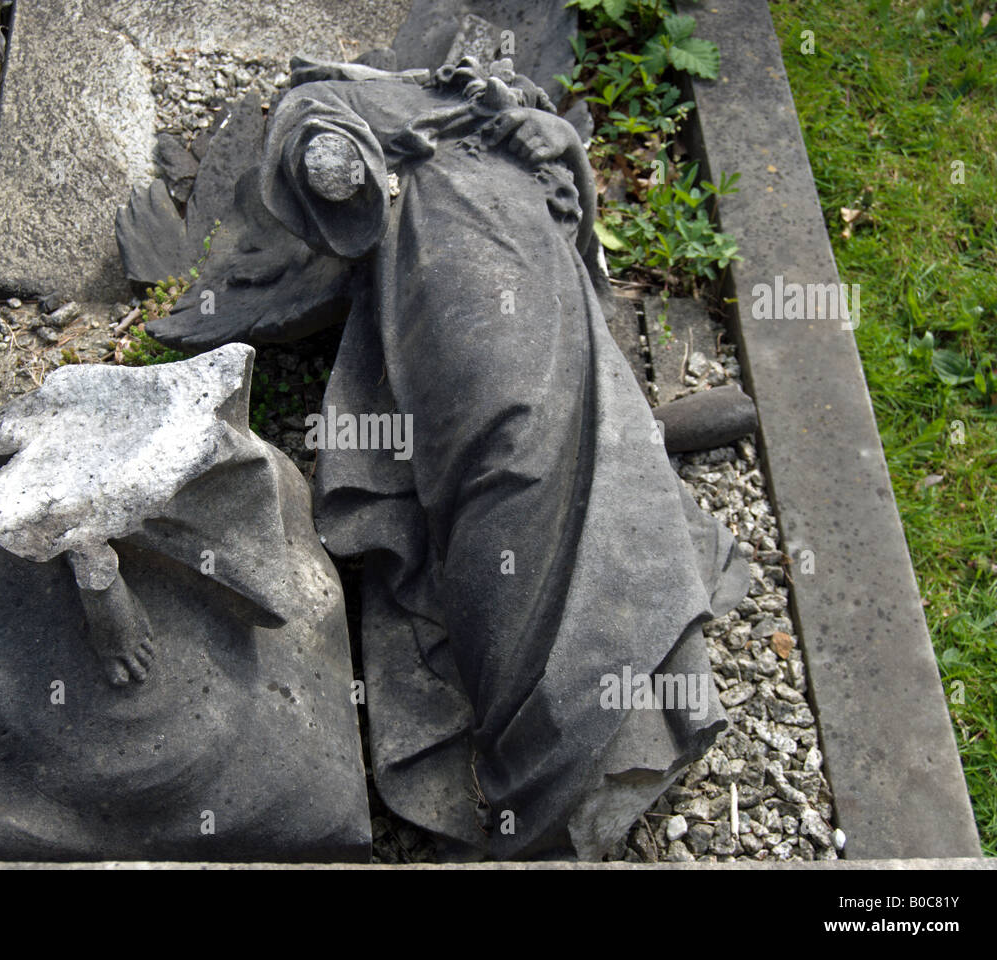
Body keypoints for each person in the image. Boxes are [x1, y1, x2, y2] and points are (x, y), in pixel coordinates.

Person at [150, 56, 748, 859]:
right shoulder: (336, 90)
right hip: (445, 263)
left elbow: (571, 187)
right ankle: (526, 740)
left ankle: (613, 703)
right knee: (503, 444)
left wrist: (547, 138)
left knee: (611, 458)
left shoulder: (497, 91)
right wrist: (339, 161)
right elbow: (305, 155)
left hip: (544, 269)